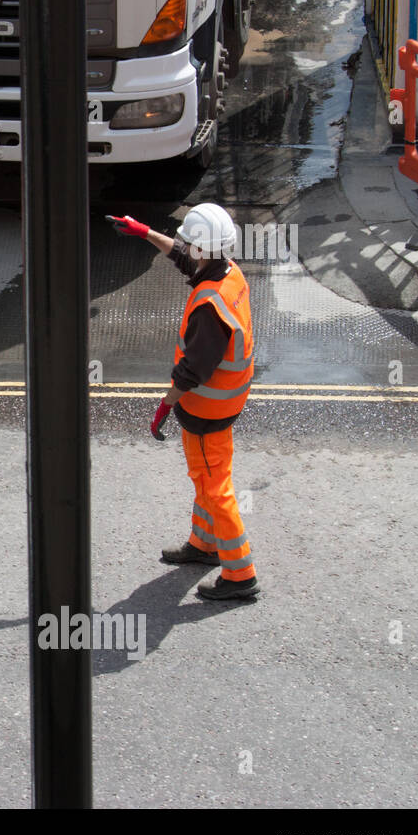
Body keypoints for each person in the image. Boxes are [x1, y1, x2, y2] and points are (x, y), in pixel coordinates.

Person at [108, 204, 259, 600]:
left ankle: (240, 575)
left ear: (203, 250)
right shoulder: (228, 271)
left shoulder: (209, 307)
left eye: (190, 244)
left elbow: (193, 371)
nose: (183, 249)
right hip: (221, 406)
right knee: (205, 478)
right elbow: (183, 255)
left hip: (207, 409)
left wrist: (165, 405)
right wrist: (144, 232)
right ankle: (204, 545)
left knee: (215, 488)